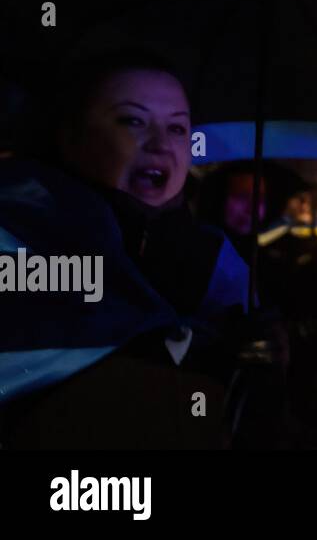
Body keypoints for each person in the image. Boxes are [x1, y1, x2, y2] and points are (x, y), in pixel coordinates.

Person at [0, 52, 251, 447]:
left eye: (178, 129)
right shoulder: (15, 228)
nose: (160, 145)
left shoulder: (215, 260)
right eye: (132, 120)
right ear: (71, 137)